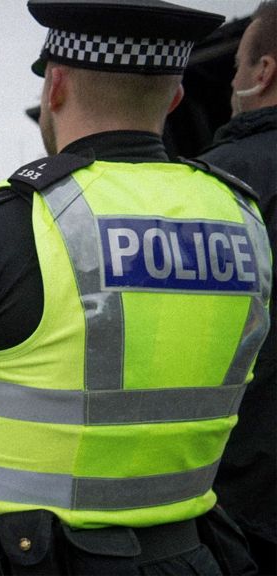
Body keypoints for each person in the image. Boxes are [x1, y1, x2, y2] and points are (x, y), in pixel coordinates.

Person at [0, 1, 271, 574]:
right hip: (193, 555)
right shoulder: (242, 217)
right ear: (175, 96)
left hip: (33, 558)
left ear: (55, 86)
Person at [198, 4, 277, 572]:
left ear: (263, 71)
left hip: (244, 503)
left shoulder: (215, 186)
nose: (231, 79)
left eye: (238, 65)